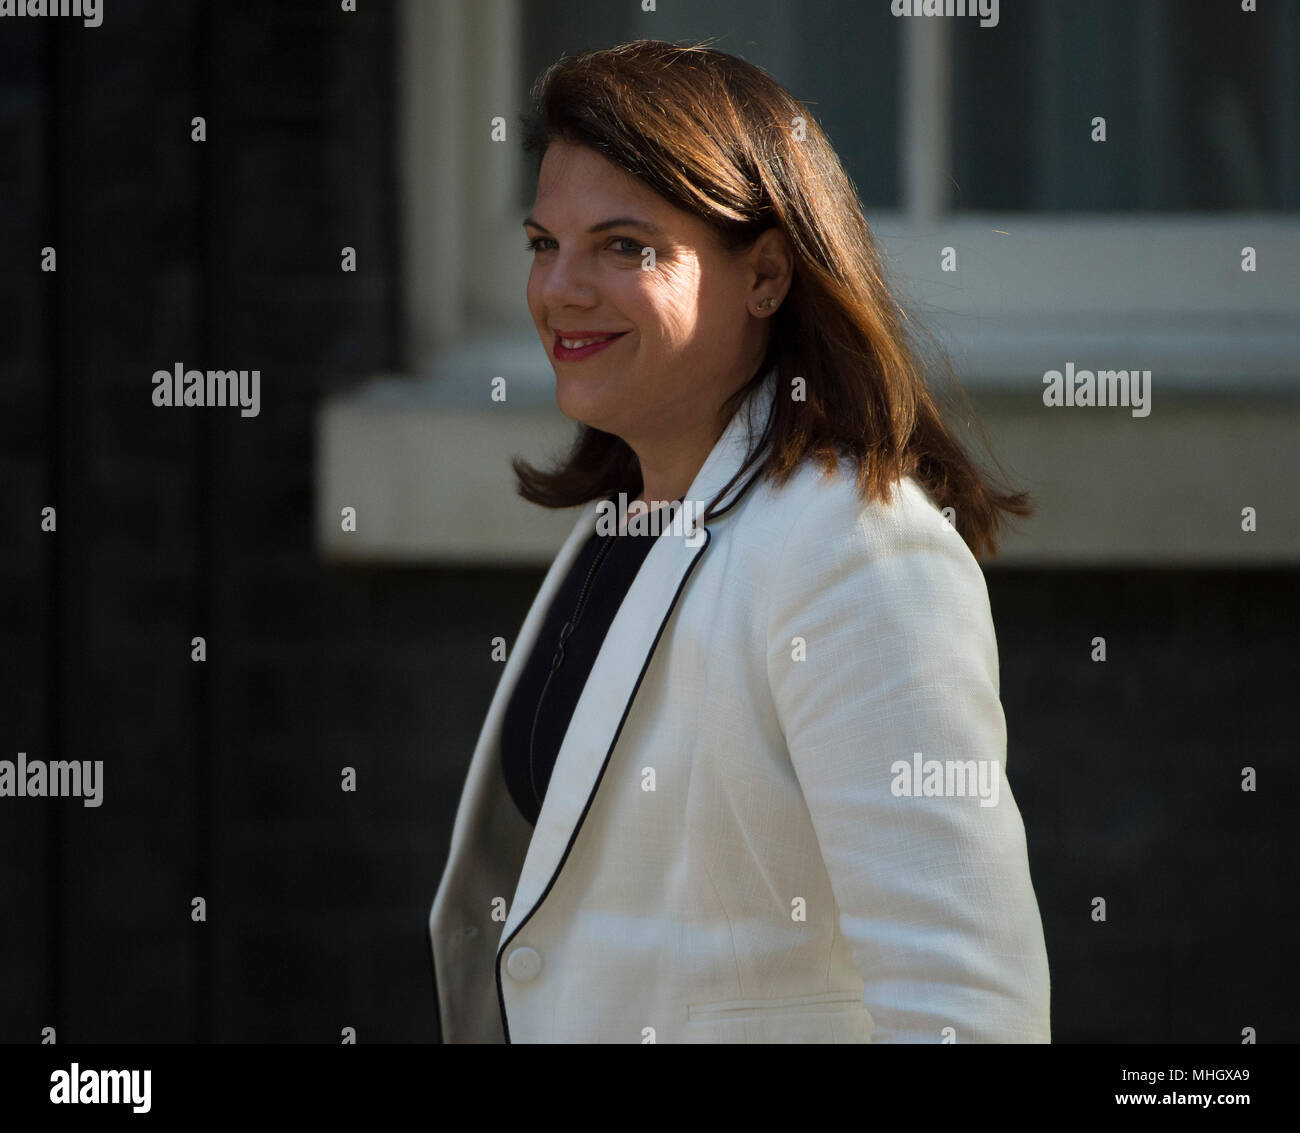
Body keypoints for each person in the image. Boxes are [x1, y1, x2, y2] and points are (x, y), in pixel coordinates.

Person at [429, 39, 1050, 1044]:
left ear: (764, 273)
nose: (560, 289)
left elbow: (965, 1008)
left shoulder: (855, 551)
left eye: (624, 246)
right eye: (545, 242)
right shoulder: (622, 524)